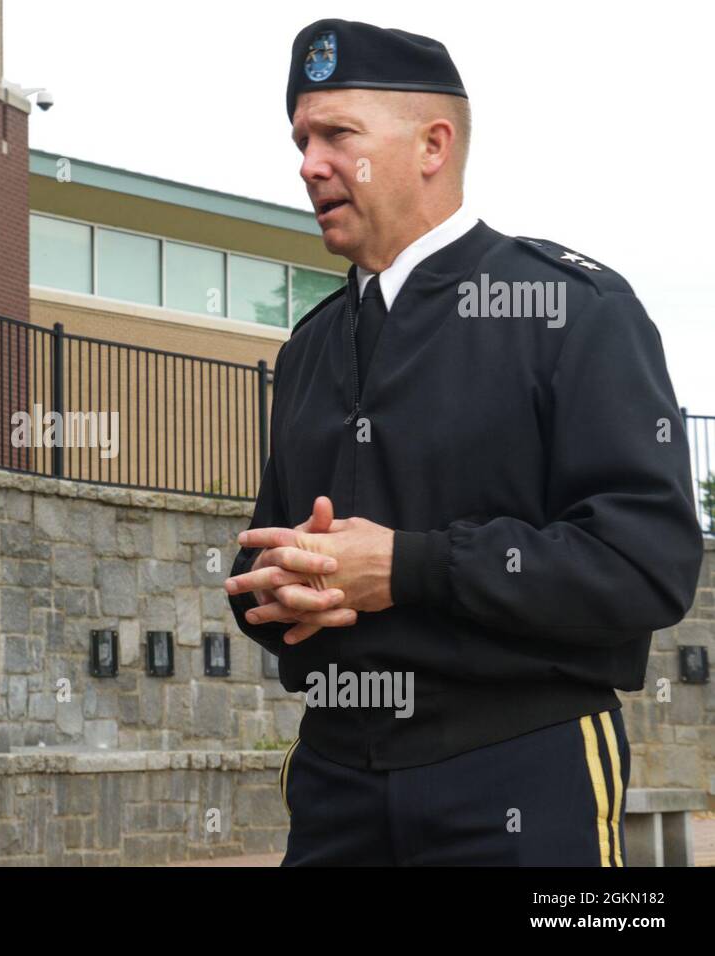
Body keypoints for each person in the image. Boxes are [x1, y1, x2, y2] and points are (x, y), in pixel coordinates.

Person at [224, 19, 703, 866]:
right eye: (300, 139)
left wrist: (404, 568)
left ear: (432, 145)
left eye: (337, 134)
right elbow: (267, 567)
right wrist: (278, 586)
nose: (308, 163)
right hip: (335, 785)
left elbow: (646, 563)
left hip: (522, 777)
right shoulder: (307, 347)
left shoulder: (572, 310)